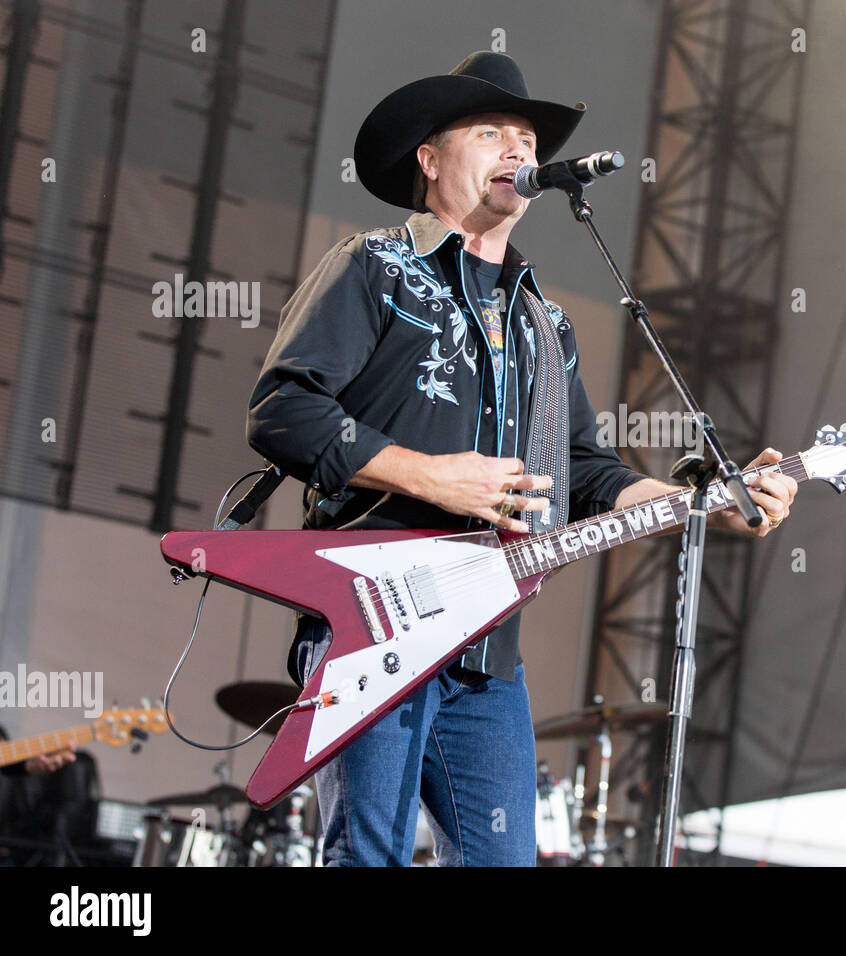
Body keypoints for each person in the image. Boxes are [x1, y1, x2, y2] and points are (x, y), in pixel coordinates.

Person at [247, 51, 797, 866]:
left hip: (485, 648)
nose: (518, 149)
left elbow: (585, 473)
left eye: (528, 137)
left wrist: (709, 498)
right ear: (429, 161)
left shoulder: (547, 324)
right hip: (372, 618)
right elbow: (282, 412)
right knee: (368, 855)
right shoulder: (375, 269)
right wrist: (427, 474)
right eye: (492, 131)